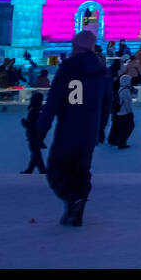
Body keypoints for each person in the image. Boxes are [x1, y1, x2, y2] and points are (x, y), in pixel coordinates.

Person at [35, 30, 112, 226]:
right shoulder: (101, 70)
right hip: (89, 130)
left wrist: (41, 129)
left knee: (56, 169)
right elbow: (106, 103)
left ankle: (71, 199)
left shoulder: (68, 68)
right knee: (81, 170)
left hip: (69, 128)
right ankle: (77, 208)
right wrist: (101, 128)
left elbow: (53, 101)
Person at [20, 92, 47, 174]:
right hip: (37, 135)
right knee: (35, 153)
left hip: (33, 135)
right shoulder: (40, 110)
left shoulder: (33, 111)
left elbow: (30, 124)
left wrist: (24, 123)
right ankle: (31, 169)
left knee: (36, 153)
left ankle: (42, 170)